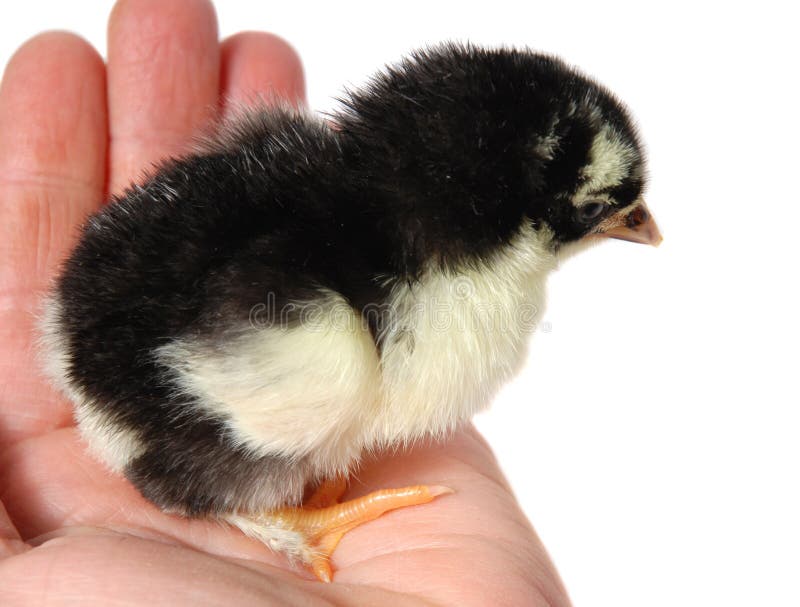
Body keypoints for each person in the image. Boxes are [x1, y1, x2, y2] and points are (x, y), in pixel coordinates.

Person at [0, 1, 570, 604]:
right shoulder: (311, 335)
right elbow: (154, 413)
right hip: (129, 364)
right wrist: (272, 514)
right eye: (592, 207)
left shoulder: (330, 185)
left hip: (129, 283)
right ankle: (249, 510)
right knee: (313, 365)